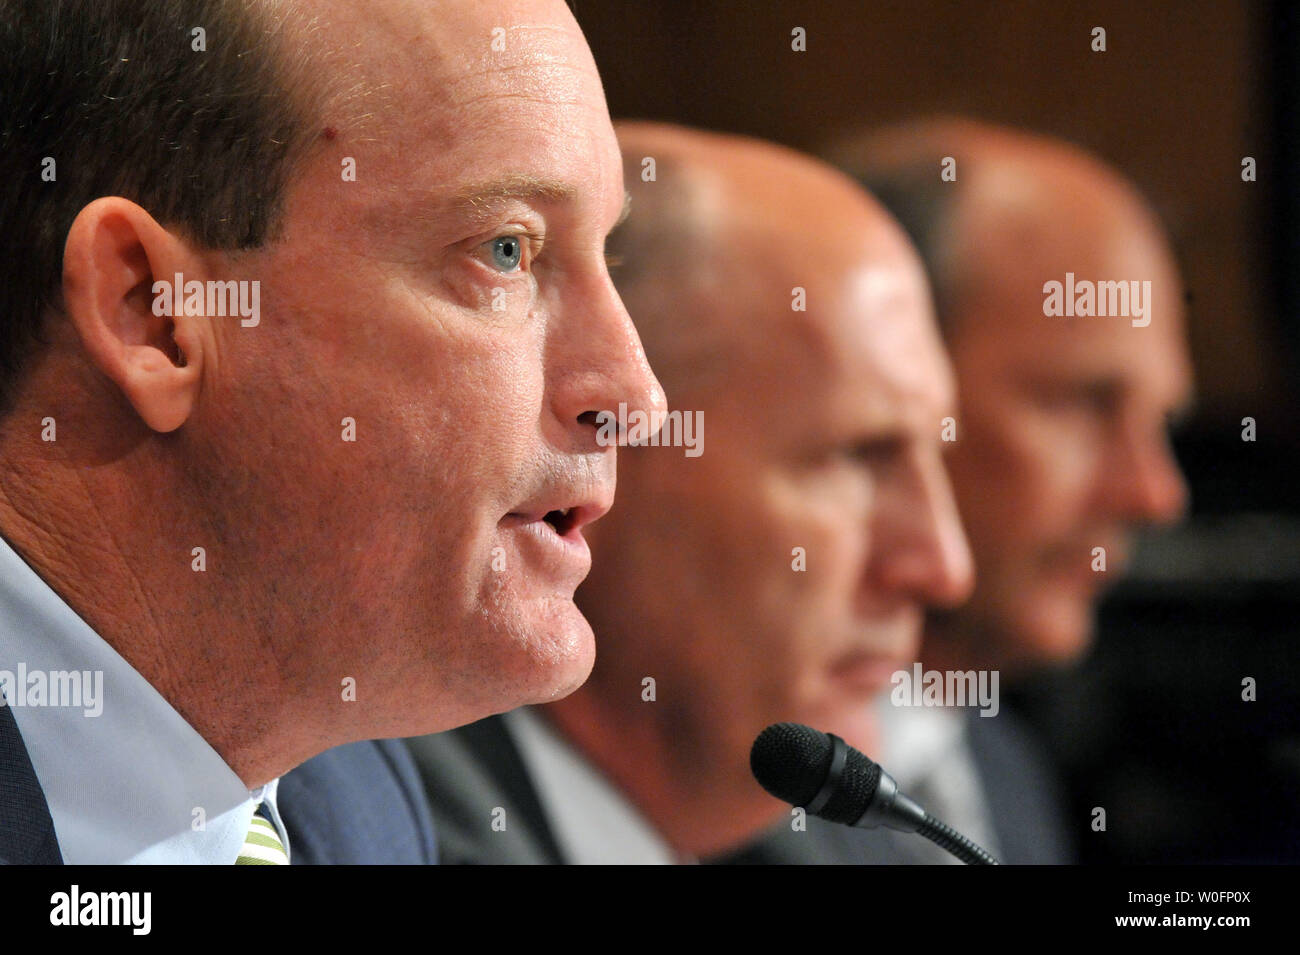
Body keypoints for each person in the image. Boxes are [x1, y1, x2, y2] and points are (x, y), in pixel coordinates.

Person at [0, 0, 662, 864]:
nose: (634, 395)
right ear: (154, 315)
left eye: (604, 258)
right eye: (506, 251)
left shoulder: (356, 802)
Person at [407, 121, 974, 863]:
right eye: (856, 458)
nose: (942, 565)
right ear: (586, 464)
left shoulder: (865, 848)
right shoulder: (368, 832)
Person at [748, 117, 1195, 863]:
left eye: (1163, 421)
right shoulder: (716, 789)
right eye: (1083, 402)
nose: (1155, 493)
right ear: (886, 378)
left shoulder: (1002, 766)